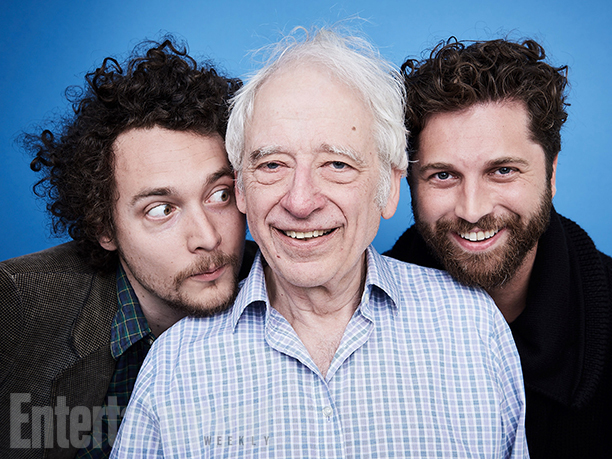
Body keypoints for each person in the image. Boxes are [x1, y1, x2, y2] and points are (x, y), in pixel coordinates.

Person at [111, 28, 528, 458]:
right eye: (272, 165)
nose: (300, 201)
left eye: (337, 164)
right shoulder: (173, 367)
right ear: (240, 190)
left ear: (389, 189)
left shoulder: (474, 331)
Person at [0, 38, 255, 458]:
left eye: (220, 195)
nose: (208, 238)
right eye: (161, 209)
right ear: (105, 227)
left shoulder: (284, 286)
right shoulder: (19, 305)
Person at [385, 38, 612, 458]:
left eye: (503, 171)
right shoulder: (358, 317)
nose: (472, 210)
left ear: (551, 172)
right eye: (443, 176)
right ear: (409, 184)